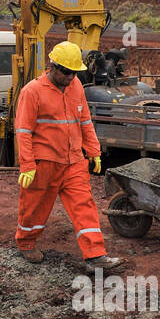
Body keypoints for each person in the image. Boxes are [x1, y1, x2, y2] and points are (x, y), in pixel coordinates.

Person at [15, 41, 122, 270]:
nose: (70, 77)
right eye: (65, 72)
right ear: (51, 66)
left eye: (74, 72)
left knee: (84, 206)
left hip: (73, 162)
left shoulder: (76, 88)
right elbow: (23, 131)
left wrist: (94, 152)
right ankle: (26, 242)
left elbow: (84, 121)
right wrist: (27, 165)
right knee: (35, 207)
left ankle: (95, 257)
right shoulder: (32, 92)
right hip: (44, 163)